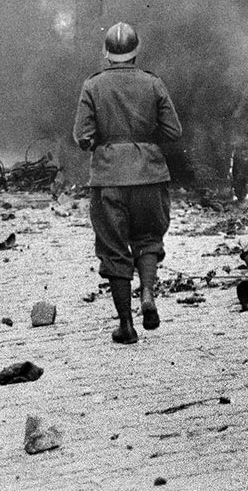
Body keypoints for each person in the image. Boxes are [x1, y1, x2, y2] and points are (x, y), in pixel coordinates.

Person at [72, 22, 183, 344]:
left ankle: (126, 326)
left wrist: (104, 142)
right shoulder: (153, 83)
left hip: (109, 178)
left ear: (106, 53)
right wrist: (144, 140)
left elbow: (82, 136)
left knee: (113, 249)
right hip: (149, 175)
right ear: (136, 51)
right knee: (148, 239)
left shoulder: (93, 86)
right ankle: (147, 293)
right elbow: (174, 131)